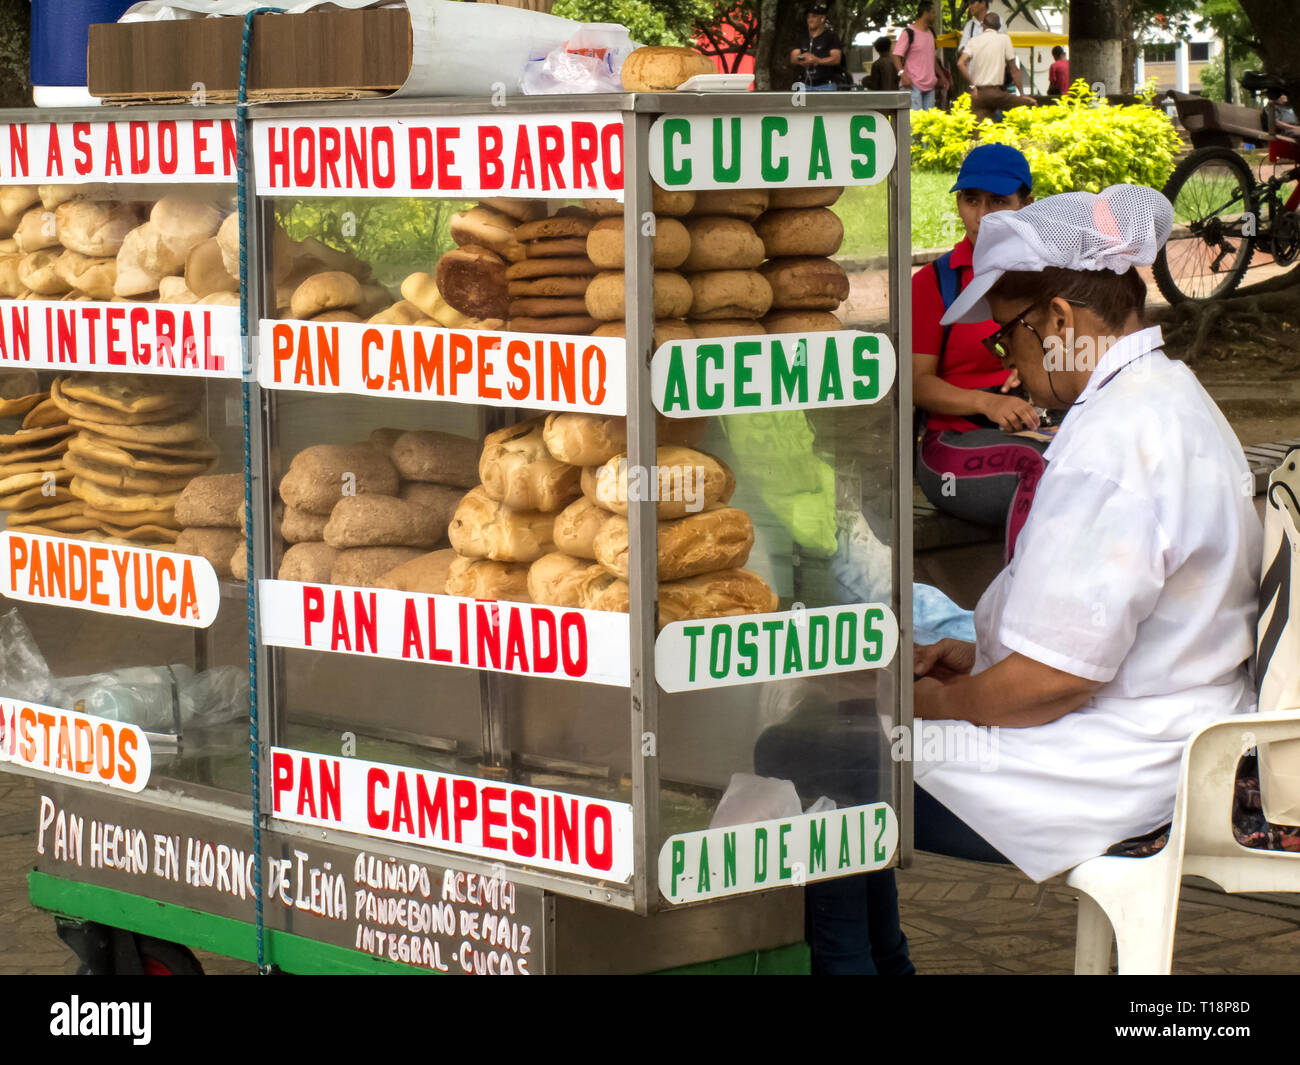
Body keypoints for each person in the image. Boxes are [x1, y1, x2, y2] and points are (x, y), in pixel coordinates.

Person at [805, 184, 1264, 974]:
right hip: (1156, 723)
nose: (1006, 362)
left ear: (1060, 321)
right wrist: (975, 658)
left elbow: (1054, 678)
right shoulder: (1162, 396)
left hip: (1116, 762)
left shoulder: (1119, 440)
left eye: (1008, 337)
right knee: (845, 742)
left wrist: (947, 701)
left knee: (822, 756)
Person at [912, 143, 1046, 562]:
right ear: (958, 203)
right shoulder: (934, 283)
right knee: (1041, 471)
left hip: (1036, 431)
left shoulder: (1046, 278)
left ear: (1028, 205)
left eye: (999, 201)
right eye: (972, 199)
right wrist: (988, 402)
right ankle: (1019, 606)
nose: (983, 214)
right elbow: (917, 385)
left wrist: (1034, 373)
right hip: (950, 445)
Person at [959, 12, 1036, 122]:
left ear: (983, 26)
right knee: (1030, 105)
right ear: (998, 27)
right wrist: (1022, 94)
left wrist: (972, 86)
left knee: (978, 134)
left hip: (978, 95)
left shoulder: (973, 41)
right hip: (997, 94)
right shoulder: (1004, 39)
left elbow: (960, 63)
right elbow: (1014, 70)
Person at [893, 1, 944, 110]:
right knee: (915, 124)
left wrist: (941, 76)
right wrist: (902, 75)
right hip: (912, 85)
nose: (935, 16)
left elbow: (931, 57)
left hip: (930, 86)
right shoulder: (908, 33)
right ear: (926, 13)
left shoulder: (931, 33)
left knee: (928, 124)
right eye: (933, 13)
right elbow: (896, 55)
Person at [790, 4, 846, 92]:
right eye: (808, 17)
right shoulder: (802, 37)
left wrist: (817, 60)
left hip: (826, 85)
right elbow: (793, 58)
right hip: (804, 85)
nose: (810, 20)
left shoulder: (831, 36)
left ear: (822, 19)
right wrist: (803, 59)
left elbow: (836, 59)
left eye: (814, 17)